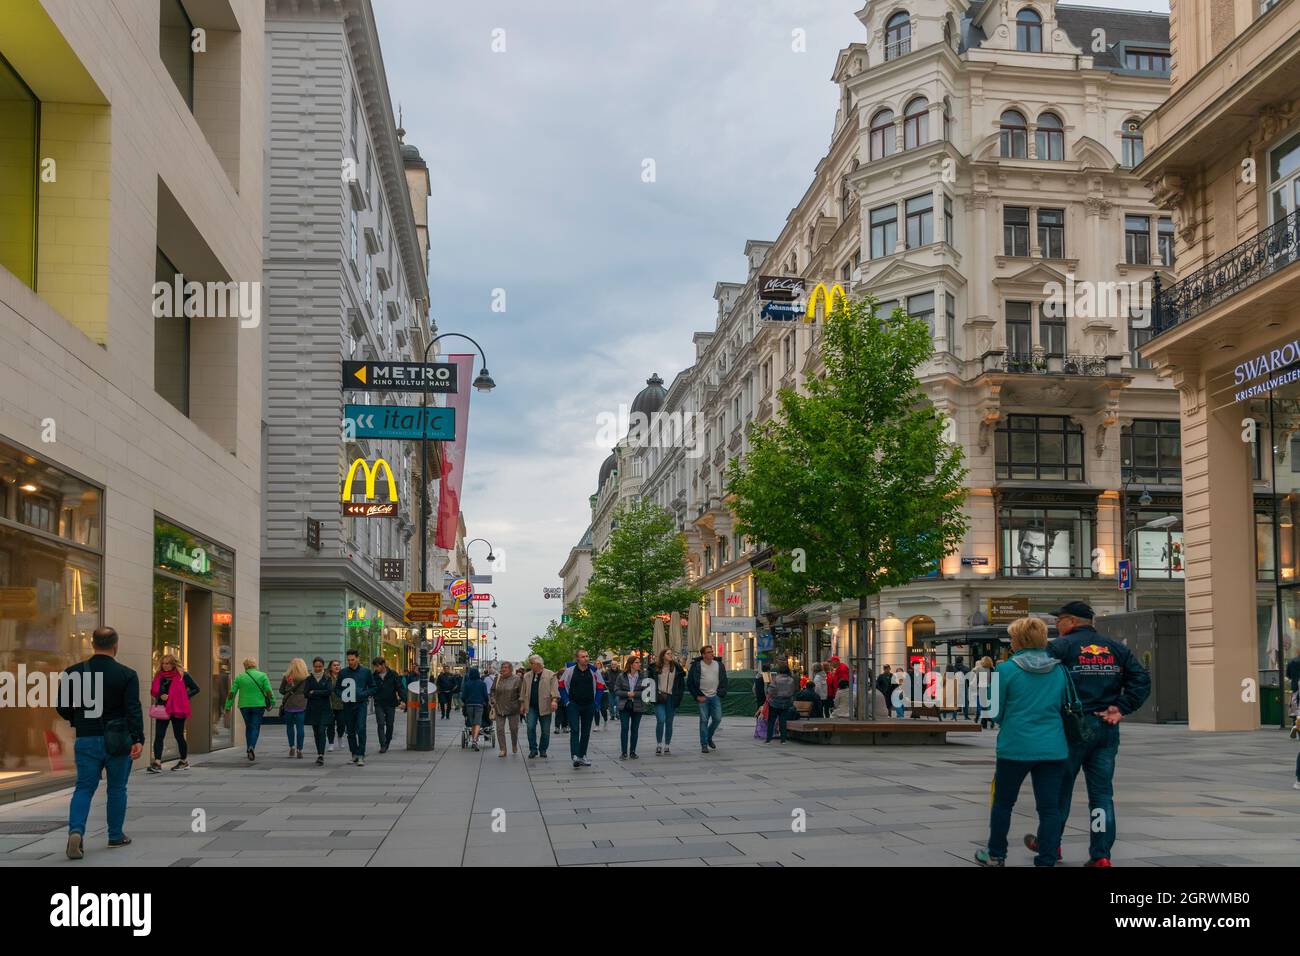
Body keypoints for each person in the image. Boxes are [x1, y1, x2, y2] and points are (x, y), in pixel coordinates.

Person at [1026, 601, 1151, 868]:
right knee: (1102, 794)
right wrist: (1122, 707)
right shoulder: (1116, 648)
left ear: (1071, 621)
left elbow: (1036, 679)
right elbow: (1141, 679)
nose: (1056, 625)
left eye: (1058, 620)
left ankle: (1051, 844)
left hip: (1069, 728)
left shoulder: (1060, 647)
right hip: (1106, 728)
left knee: (1059, 791)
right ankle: (1101, 855)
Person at [974, 616, 1068, 867]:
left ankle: (996, 854)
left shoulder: (1006, 669)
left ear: (1018, 641)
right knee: (1049, 808)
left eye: (1012, 638)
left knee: (1003, 803)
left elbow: (996, 712)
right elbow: (1064, 705)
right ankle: (1047, 858)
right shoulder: (1059, 670)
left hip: (1015, 746)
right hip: (1053, 747)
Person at [58, 626, 144, 860]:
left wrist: (77, 719)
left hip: (86, 738)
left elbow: (62, 708)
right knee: (117, 788)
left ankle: (76, 831)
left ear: (93, 644)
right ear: (116, 645)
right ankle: (115, 836)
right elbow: (133, 709)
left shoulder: (72, 672)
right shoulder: (126, 674)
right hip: (117, 739)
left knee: (84, 787)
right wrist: (138, 738)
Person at [147, 652, 199, 772]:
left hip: (178, 709)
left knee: (178, 735)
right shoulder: (159, 676)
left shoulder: (182, 675)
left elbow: (196, 689)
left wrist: (182, 697)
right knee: (159, 735)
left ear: (174, 664)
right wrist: (161, 695)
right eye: (163, 663)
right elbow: (155, 691)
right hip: (162, 709)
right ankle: (157, 762)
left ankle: (183, 761)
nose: (165, 666)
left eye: (168, 663)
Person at [558, 649, 605, 768]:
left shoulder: (594, 671)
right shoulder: (569, 671)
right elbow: (561, 685)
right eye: (583, 656)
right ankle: (575, 756)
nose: (586, 658)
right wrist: (567, 701)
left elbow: (600, 686)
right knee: (574, 729)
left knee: (585, 731)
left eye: (587, 656)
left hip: (589, 705)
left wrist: (596, 702)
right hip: (573, 704)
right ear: (577, 659)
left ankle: (582, 755)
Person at [225, 657, 273, 761]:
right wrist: (272, 702)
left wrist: (228, 706)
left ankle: (248, 747)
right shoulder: (262, 676)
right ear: (255, 665)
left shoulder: (240, 677)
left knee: (249, 726)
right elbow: (268, 691)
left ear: (245, 666)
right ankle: (252, 747)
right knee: (255, 727)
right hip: (259, 705)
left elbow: (231, 693)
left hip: (244, 706)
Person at [686, 644, 727, 754]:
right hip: (702, 696)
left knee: (717, 719)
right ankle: (704, 744)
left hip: (715, 696)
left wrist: (720, 693)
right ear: (703, 655)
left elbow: (724, 680)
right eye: (709, 652)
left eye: (712, 651)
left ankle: (708, 737)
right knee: (704, 720)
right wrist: (697, 696)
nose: (711, 653)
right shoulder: (697, 665)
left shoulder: (719, 665)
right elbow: (690, 683)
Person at [337, 649, 375, 766]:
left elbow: (373, 687)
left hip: (361, 704)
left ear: (357, 659)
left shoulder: (366, 672)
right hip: (348, 705)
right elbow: (337, 688)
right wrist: (342, 695)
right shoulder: (343, 673)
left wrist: (364, 694)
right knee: (350, 731)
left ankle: (361, 755)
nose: (350, 662)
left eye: (352, 659)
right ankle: (354, 753)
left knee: (361, 728)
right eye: (348, 660)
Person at [647, 648, 685, 755]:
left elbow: (681, 685)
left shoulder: (677, 667)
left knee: (669, 722)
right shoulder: (655, 667)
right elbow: (649, 683)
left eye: (671, 654)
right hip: (659, 697)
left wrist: (679, 696)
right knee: (661, 720)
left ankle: (667, 745)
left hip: (671, 698)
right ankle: (659, 744)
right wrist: (652, 696)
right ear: (663, 655)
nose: (670, 655)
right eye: (668, 654)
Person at [521, 654, 559, 758]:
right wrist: (522, 705)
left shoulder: (550, 674)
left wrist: (554, 700)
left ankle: (543, 749)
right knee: (530, 727)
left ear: (537, 664)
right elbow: (523, 691)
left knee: (545, 730)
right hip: (531, 706)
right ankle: (533, 749)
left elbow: (554, 690)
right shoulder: (527, 676)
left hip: (545, 706)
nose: (530, 665)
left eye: (531, 663)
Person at [614, 655, 647, 759]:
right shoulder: (621, 676)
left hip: (638, 705)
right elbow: (616, 690)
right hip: (624, 705)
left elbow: (646, 692)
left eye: (639, 662)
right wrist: (627, 694)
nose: (639, 664)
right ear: (631, 664)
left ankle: (632, 751)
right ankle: (624, 752)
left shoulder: (643, 676)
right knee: (624, 728)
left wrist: (635, 694)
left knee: (635, 729)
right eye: (637, 662)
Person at [371, 657, 404, 755]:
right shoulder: (374, 676)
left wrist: (403, 700)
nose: (376, 669)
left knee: (390, 724)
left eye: (377, 666)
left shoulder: (393, 674)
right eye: (375, 667)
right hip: (379, 703)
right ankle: (382, 745)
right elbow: (370, 687)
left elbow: (399, 687)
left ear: (383, 665)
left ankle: (387, 741)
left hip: (390, 703)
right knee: (380, 723)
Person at [491, 660, 525, 756]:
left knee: (513, 729)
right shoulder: (497, 678)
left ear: (510, 669)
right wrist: (493, 699)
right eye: (502, 667)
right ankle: (503, 749)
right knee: (500, 729)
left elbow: (521, 694)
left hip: (513, 708)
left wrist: (522, 705)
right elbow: (492, 691)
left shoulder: (517, 679)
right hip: (499, 707)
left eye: (505, 668)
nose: (503, 669)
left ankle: (514, 744)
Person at [304, 657, 334, 766]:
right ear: (313, 666)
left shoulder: (327, 678)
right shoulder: (309, 679)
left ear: (323, 667)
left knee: (322, 731)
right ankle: (319, 753)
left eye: (320, 666)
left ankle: (321, 755)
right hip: (313, 710)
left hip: (324, 709)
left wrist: (315, 692)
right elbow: (306, 693)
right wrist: (317, 692)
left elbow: (329, 691)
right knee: (316, 732)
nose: (317, 668)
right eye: (316, 666)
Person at [279, 658, 309, 759]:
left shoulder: (287, 677)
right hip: (301, 704)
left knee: (290, 727)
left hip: (289, 704)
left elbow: (281, 690)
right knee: (300, 727)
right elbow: (308, 691)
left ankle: (292, 746)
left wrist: (289, 690)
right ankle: (300, 749)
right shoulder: (306, 678)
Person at [764, 663, 797, 743]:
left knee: (771, 721)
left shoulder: (775, 679)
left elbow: (770, 690)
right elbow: (793, 691)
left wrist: (771, 695)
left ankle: (768, 739)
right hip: (786, 703)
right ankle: (783, 740)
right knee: (783, 721)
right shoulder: (791, 680)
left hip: (775, 702)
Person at [459, 665, 488, 750]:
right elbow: (485, 696)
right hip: (479, 705)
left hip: (469, 705)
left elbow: (463, 696)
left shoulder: (467, 684)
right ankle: (475, 741)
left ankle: (474, 739)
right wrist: (485, 701)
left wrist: (465, 702)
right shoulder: (482, 684)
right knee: (478, 722)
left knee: (472, 723)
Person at [326, 660, 346, 751]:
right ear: (330, 667)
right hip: (330, 705)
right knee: (330, 725)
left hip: (341, 705)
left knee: (341, 724)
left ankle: (340, 737)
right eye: (334, 665)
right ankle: (331, 743)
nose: (337, 667)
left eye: (338, 665)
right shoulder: (327, 677)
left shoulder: (343, 677)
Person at [970, 656, 995, 726]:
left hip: (981, 689)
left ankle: (987, 720)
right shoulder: (992, 669)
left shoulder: (979, 669)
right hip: (989, 689)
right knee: (986, 707)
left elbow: (976, 679)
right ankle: (986, 721)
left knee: (982, 707)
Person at [599, 658, 621, 732]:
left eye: (615, 664)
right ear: (611, 665)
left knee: (618, 702)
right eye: (612, 664)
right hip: (610, 689)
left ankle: (617, 715)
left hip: (618, 690)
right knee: (611, 703)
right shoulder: (607, 672)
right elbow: (604, 680)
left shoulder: (620, 672)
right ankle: (612, 715)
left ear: (617, 665)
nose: (613, 665)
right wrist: (608, 683)